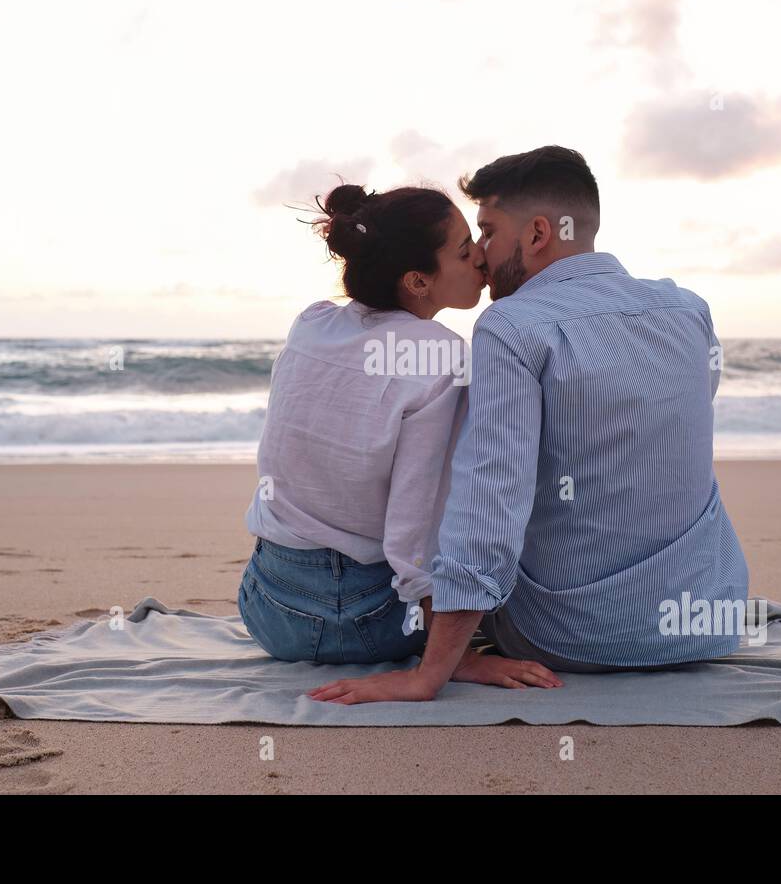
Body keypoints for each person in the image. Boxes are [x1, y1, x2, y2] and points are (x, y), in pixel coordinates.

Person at [310, 146, 749, 704]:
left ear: (538, 233)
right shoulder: (689, 308)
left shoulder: (512, 326)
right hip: (709, 621)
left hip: (573, 638)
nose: (482, 256)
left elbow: (492, 500)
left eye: (488, 232)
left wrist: (431, 673)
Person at [241, 181, 563, 689]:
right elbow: (422, 529)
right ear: (417, 281)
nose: (482, 257)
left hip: (270, 613)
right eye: (463, 250)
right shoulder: (443, 357)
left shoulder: (311, 323)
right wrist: (451, 661)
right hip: (376, 626)